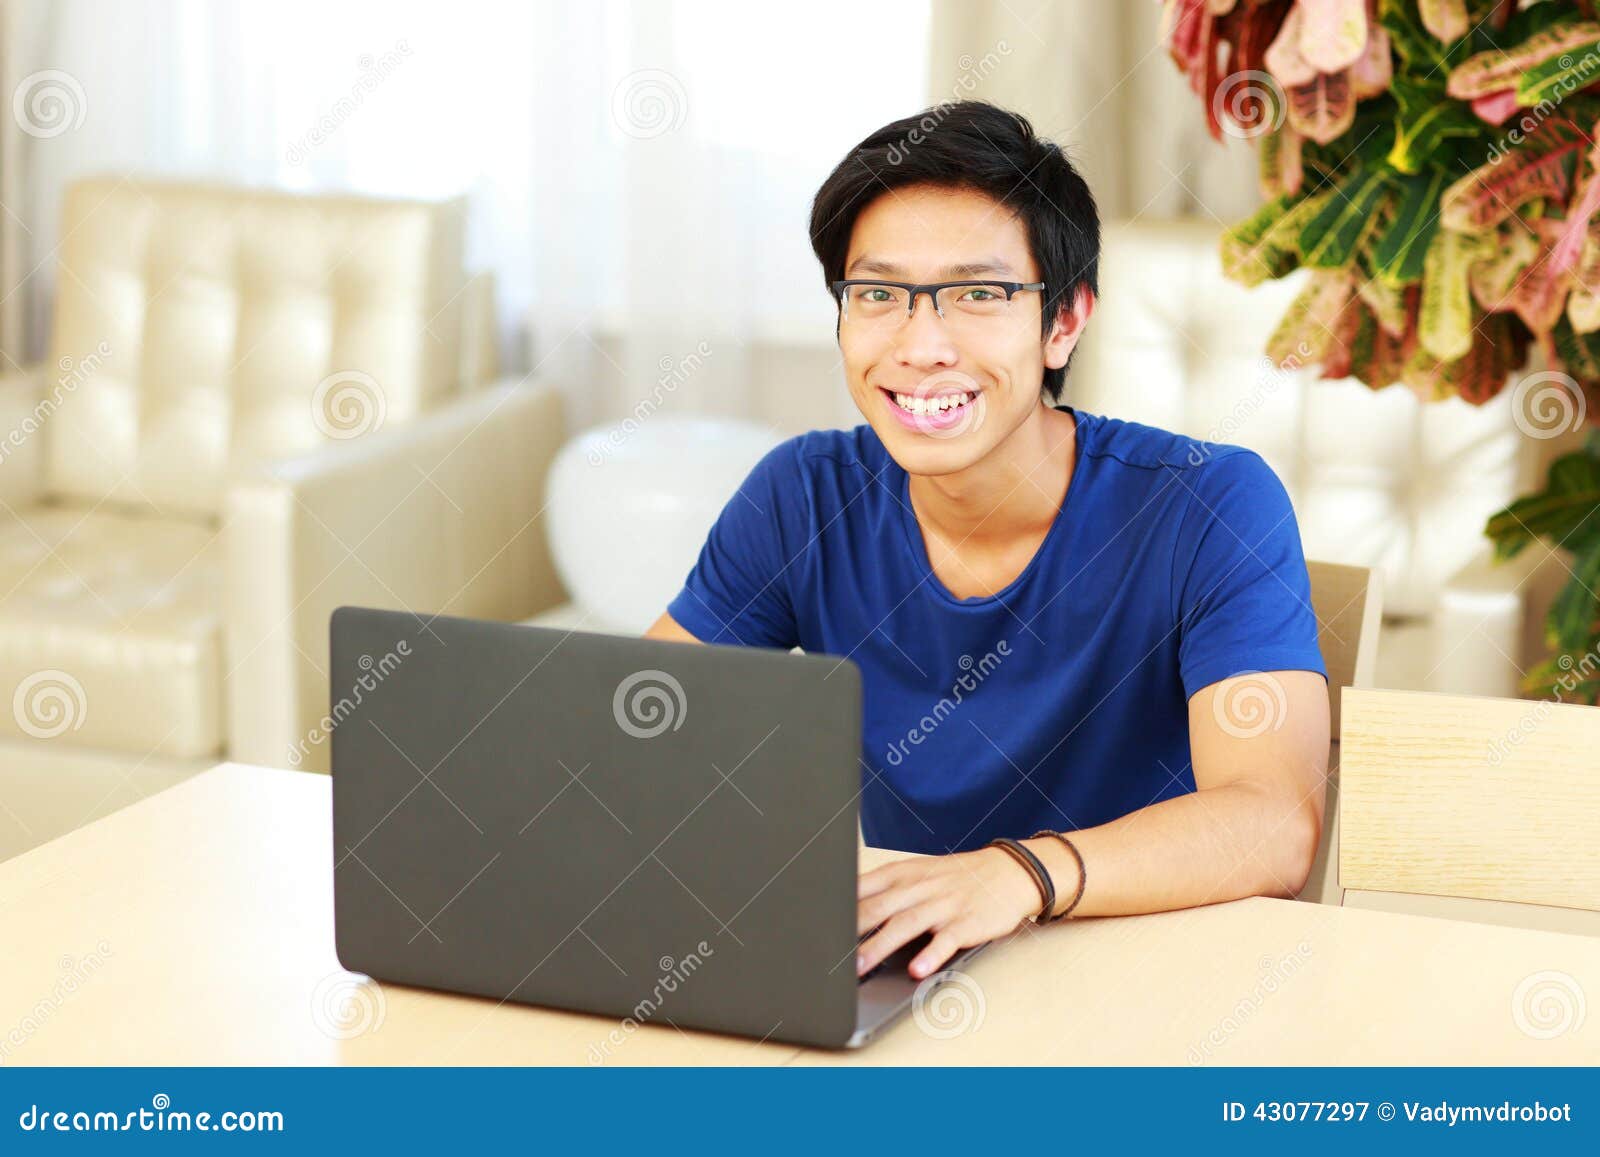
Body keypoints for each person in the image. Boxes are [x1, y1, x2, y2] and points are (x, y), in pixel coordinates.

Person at [645, 101, 1329, 982]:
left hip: (1160, 973)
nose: (923, 345)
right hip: (924, 971)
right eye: (879, 295)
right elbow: (643, 738)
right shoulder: (801, 494)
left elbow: (1274, 821)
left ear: (1065, 320)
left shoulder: (1211, 504)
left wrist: (1022, 874)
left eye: (978, 294)